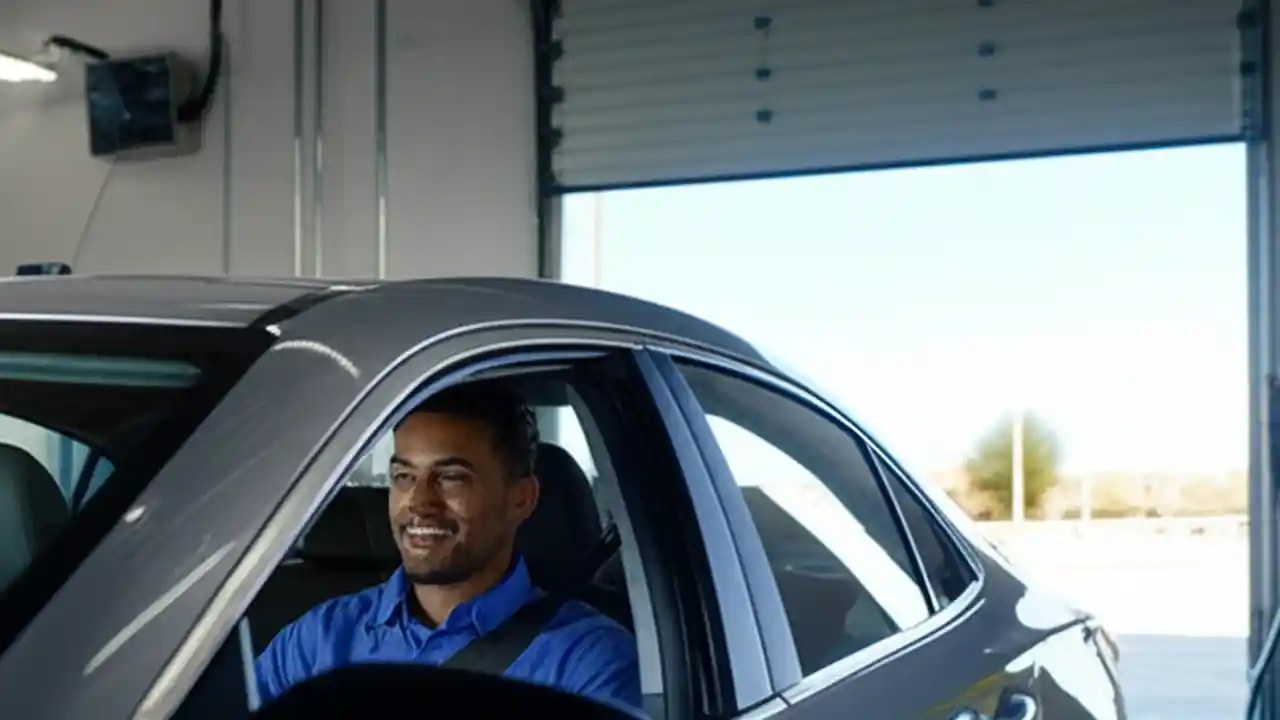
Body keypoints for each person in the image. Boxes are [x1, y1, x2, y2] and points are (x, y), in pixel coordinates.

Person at [254, 382, 641, 711]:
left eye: (452, 477)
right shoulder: (317, 642)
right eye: (404, 476)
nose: (420, 502)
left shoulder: (589, 663)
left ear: (521, 499)